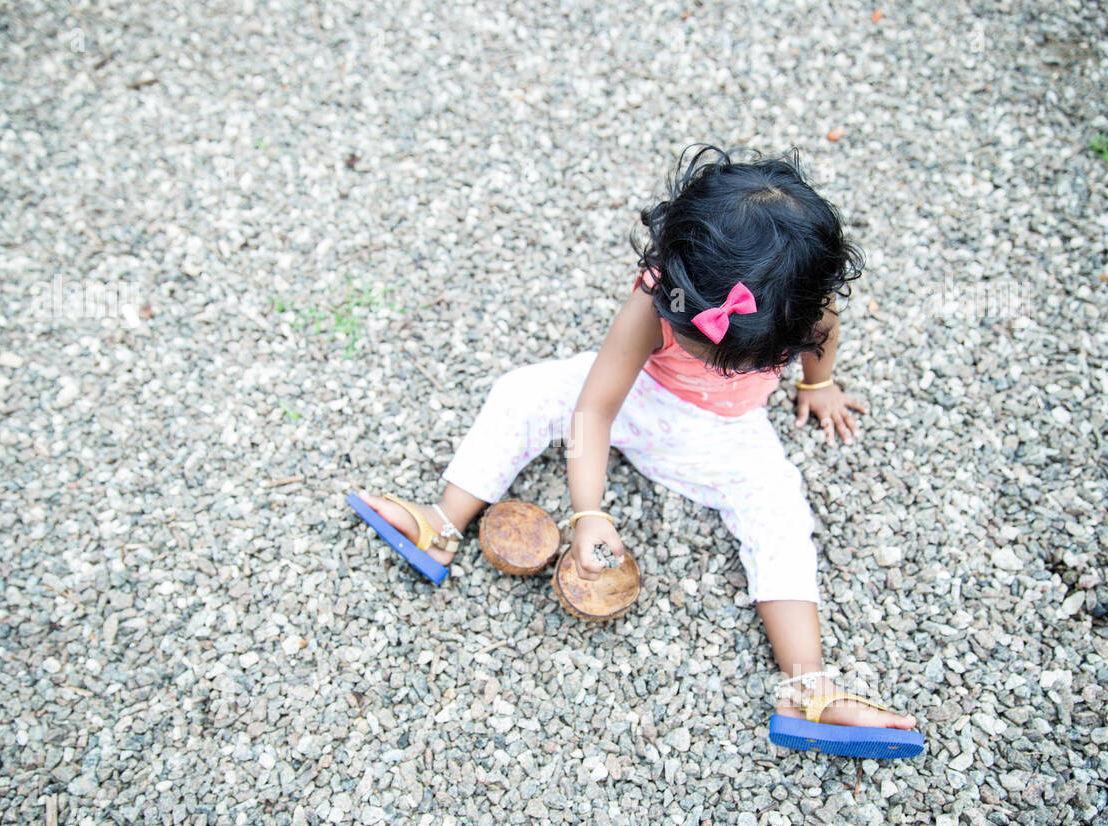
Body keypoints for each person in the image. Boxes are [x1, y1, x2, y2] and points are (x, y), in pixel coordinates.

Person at [349, 145, 922, 758]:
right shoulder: (659, 300)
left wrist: (817, 383)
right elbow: (594, 408)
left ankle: (807, 687)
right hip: (640, 396)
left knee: (781, 508)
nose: (711, 354)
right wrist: (588, 511)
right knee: (523, 392)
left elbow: (824, 335)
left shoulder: (807, 307)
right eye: (697, 340)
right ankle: (442, 524)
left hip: (727, 432)